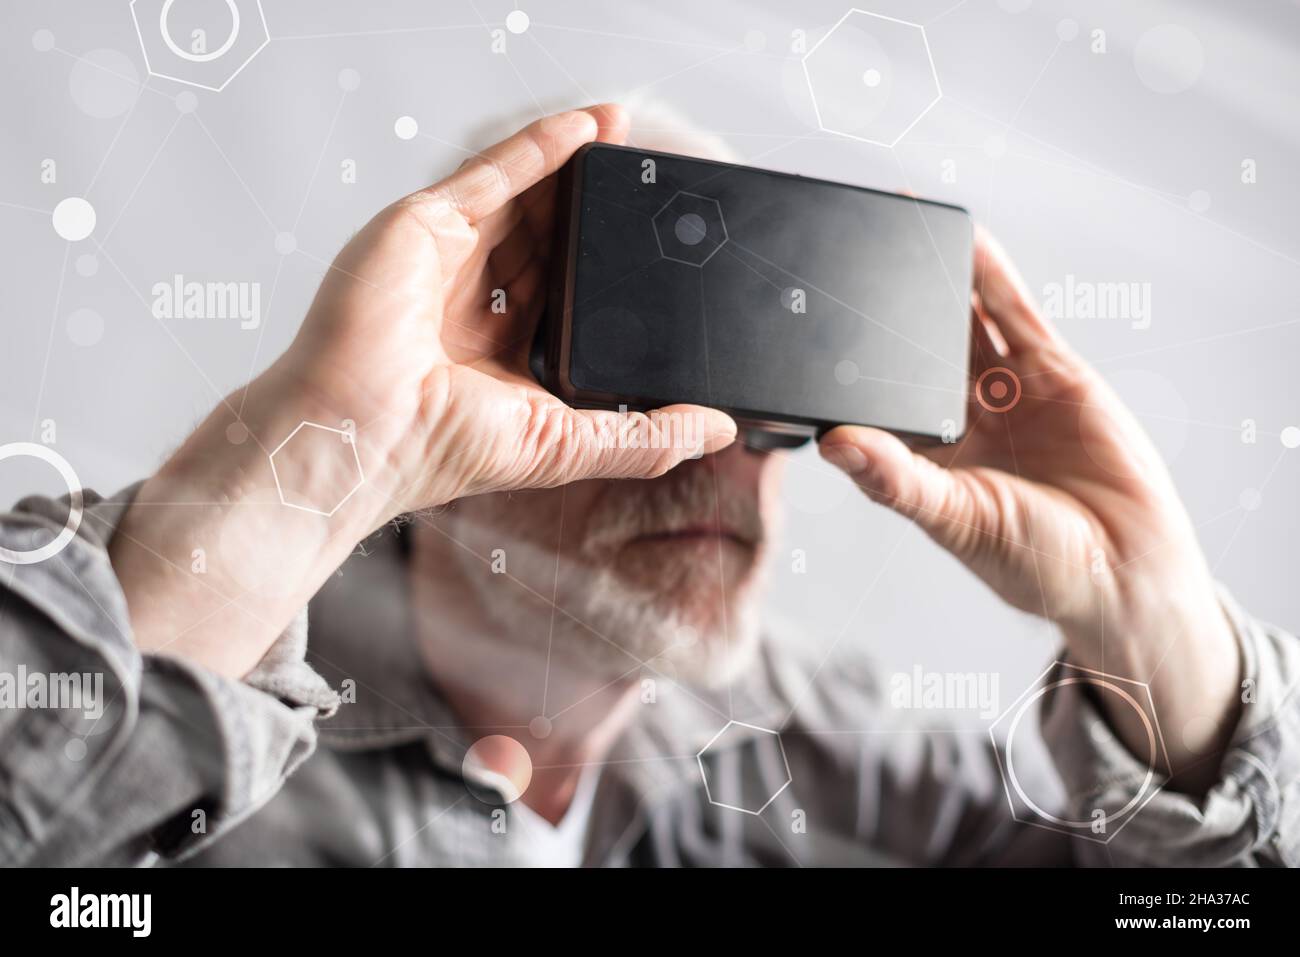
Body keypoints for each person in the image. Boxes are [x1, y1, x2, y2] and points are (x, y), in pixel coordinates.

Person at [2, 104, 1296, 867]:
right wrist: (310, 461)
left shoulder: (808, 731)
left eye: (768, 371)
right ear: (468, 369)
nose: (721, 441)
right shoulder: (217, 677)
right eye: (646, 357)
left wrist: (1155, 625)